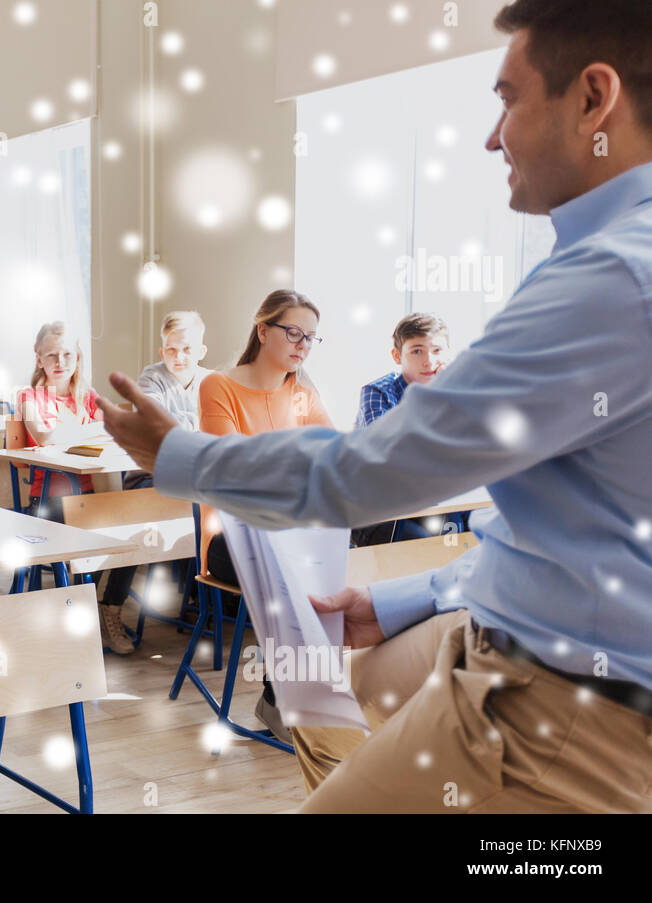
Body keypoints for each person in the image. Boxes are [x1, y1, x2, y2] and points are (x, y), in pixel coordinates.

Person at [101, 0, 652, 813]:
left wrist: (174, 454)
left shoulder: (611, 280)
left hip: (563, 702)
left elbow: (371, 466)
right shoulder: (611, 264)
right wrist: (403, 597)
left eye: (507, 99)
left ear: (592, 98)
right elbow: (571, 529)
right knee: (369, 675)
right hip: (530, 641)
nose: (491, 136)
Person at [197, 291, 334, 742]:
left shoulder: (302, 394)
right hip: (230, 540)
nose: (302, 345)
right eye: (293, 332)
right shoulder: (219, 385)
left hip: (290, 532)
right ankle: (283, 700)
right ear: (263, 331)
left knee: (344, 562)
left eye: (311, 338)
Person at [99, 312, 214, 655]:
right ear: (161, 350)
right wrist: (197, 428)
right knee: (140, 523)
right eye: (170, 350)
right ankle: (111, 608)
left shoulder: (212, 382)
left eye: (186, 349)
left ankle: (207, 603)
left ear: (202, 350)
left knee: (223, 512)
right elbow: (165, 431)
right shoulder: (151, 378)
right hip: (151, 475)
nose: (178, 357)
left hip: (196, 477)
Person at [354, 313, 463, 545]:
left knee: (467, 530)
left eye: (436, 351)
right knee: (432, 546)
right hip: (381, 510)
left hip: (432, 501)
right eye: (417, 351)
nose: (429, 361)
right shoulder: (378, 392)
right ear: (397, 355)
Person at [16, 322, 104, 519]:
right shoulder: (28, 397)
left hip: (83, 493)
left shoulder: (88, 396)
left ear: (77, 358)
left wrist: (64, 434)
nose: (60, 362)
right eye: (51, 355)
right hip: (46, 500)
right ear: (39, 360)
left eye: (67, 355)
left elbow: (112, 429)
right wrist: (89, 431)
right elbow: (43, 437)